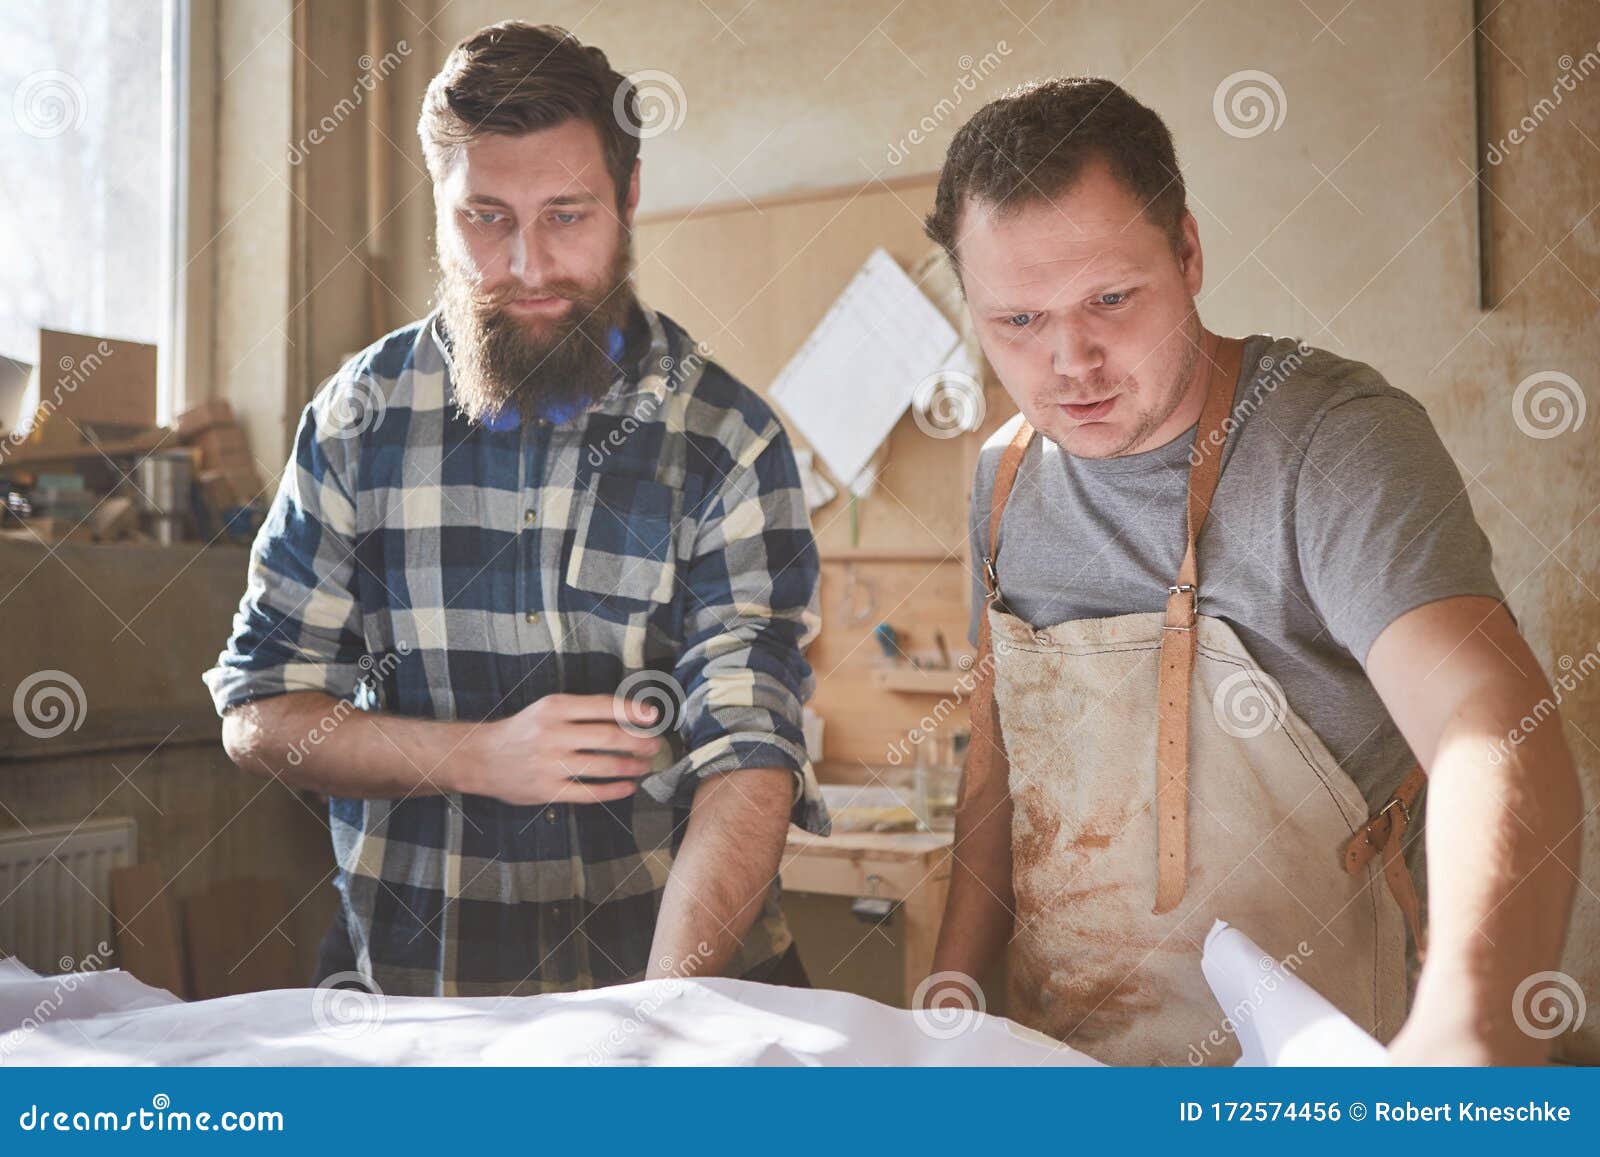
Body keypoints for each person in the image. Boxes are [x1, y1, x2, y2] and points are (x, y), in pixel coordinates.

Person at [922, 77, 1581, 1064]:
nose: (1070, 360)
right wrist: (946, 1020)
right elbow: (998, 762)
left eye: (1109, 298)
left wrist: (1465, 1034)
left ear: (1187, 252)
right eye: (1016, 320)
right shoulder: (1005, 476)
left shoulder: (1331, 442)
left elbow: (1487, 720)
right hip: (1065, 1069)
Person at [204, 21, 823, 997]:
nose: (528, 263)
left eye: (567, 215)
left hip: (681, 988)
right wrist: (478, 756)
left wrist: (659, 1018)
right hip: (423, 994)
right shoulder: (355, 422)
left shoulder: (726, 438)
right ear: (438, 212)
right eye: (485, 218)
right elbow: (259, 711)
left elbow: (752, 750)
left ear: (628, 200)